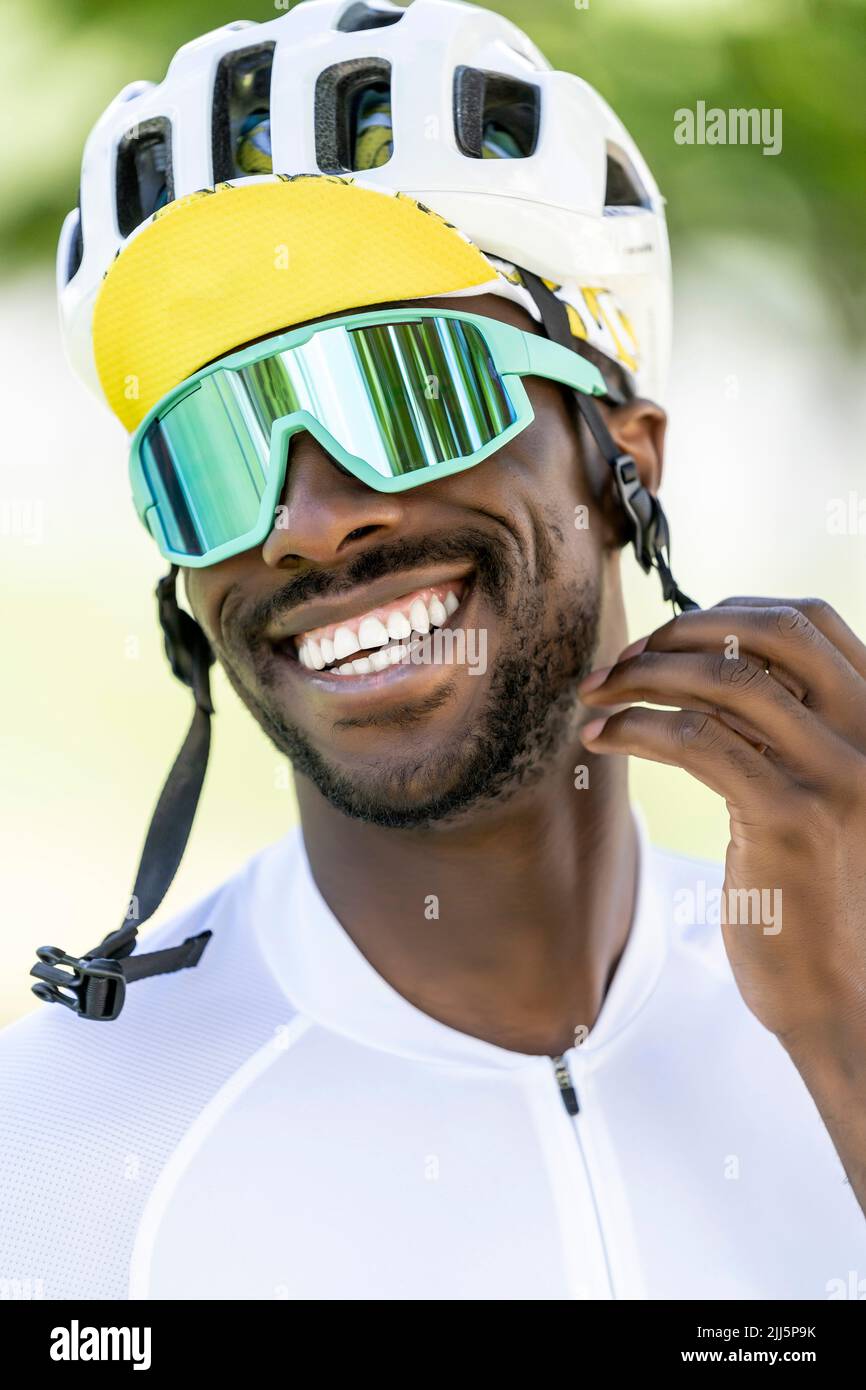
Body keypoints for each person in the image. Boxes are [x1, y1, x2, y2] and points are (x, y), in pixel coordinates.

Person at [2, 0, 865, 1301]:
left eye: (405, 387)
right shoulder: (51, 1161)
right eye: (214, 452)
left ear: (620, 460)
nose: (308, 522)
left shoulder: (837, 978)